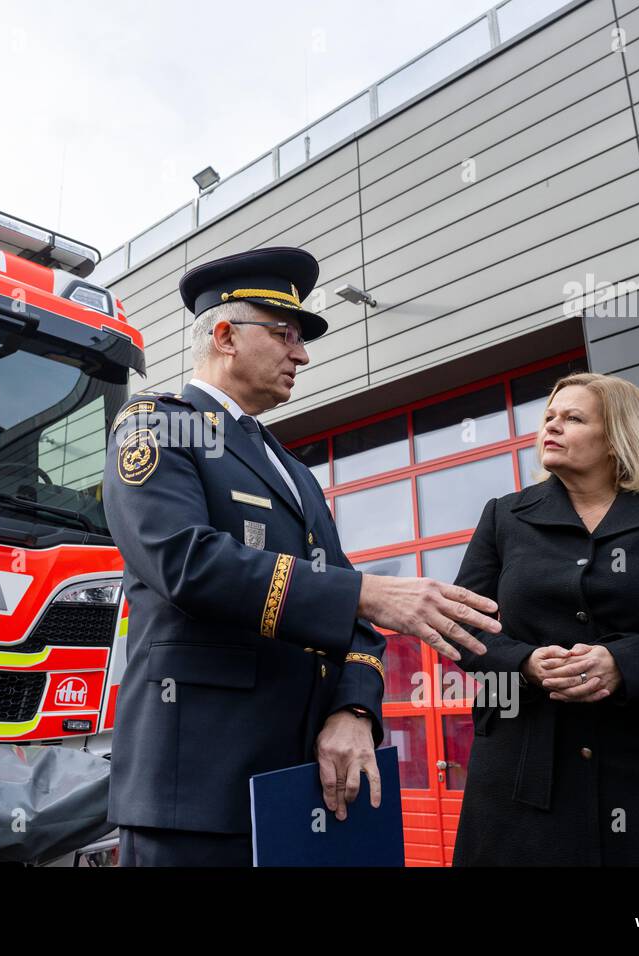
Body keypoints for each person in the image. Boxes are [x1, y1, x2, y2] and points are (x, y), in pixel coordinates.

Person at [102, 246, 498, 866]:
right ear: (226, 335)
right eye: (285, 334)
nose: (303, 354)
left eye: (302, 339)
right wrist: (364, 592)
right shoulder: (158, 427)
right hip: (200, 788)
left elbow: (356, 626)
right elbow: (186, 562)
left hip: (302, 786)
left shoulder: (292, 472)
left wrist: (354, 709)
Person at [451, 371, 639, 866]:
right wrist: (525, 662)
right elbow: (463, 625)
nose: (551, 426)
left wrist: (625, 663)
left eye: (572, 418)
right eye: (549, 417)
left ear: (618, 438)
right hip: (523, 771)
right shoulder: (503, 517)